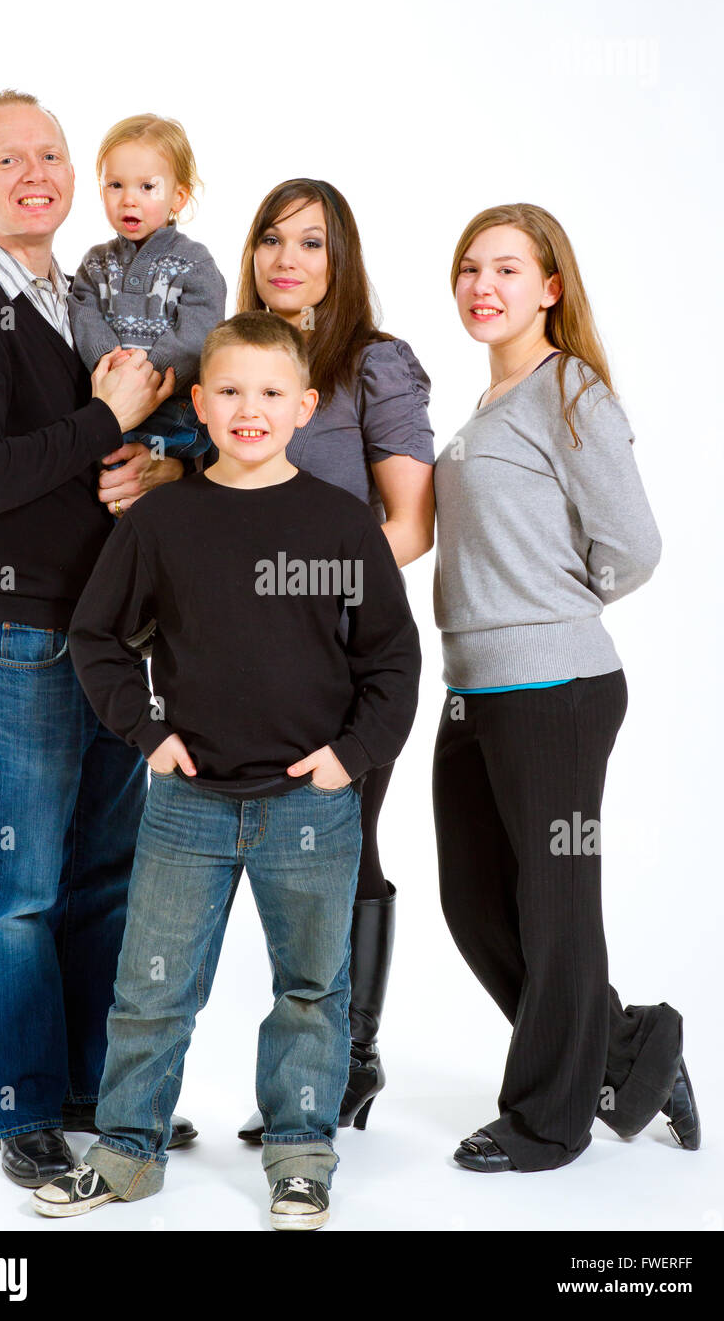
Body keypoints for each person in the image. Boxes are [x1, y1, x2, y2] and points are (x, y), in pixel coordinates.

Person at [32, 312, 422, 1228]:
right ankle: (127, 1153)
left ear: (304, 406)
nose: (251, 409)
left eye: (272, 393)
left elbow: (393, 663)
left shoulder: (340, 525)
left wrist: (351, 759)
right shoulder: (165, 519)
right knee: (152, 987)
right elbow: (98, 638)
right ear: (200, 405)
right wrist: (147, 734)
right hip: (187, 806)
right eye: (232, 392)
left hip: (310, 806)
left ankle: (299, 1153)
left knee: (312, 990)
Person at [0, 89, 196, 1190]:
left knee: (104, 876)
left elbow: (99, 461)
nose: (37, 173)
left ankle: (86, 1092)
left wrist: (143, 462)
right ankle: (24, 1112)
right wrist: (104, 422)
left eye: (53, 154)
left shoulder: (80, 304)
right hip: (12, 639)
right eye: (7, 159)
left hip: (106, 638)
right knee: (21, 888)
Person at [432, 202, 700, 1172]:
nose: (480, 285)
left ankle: (548, 1123)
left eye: (505, 268)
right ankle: (629, 1049)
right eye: (468, 268)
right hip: (472, 688)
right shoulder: (484, 409)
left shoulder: (569, 389)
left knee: (552, 905)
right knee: (472, 902)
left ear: (549, 287)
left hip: (557, 686)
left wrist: (552, 605)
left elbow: (633, 545)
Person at [233, 178, 435, 1144]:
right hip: (246, 663)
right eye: (273, 240)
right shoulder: (230, 355)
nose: (288, 260)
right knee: (275, 855)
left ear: (340, 258)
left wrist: (299, 584)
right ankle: (312, 1070)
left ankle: (351, 1057)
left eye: (311, 243)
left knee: (344, 840)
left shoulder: (375, 365)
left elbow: (410, 525)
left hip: (352, 654)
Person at [68, 113, 226, 462]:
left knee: (176, 456)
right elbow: (84, 312)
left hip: (172, 404)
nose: (128, 199)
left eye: (147, 186)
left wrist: (149, 374)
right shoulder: (96, 262)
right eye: (115, 185)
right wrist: (111, 365)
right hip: (109, 398)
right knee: (103, 463)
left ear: (178, 197)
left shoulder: (193, 262)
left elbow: (200, 330)